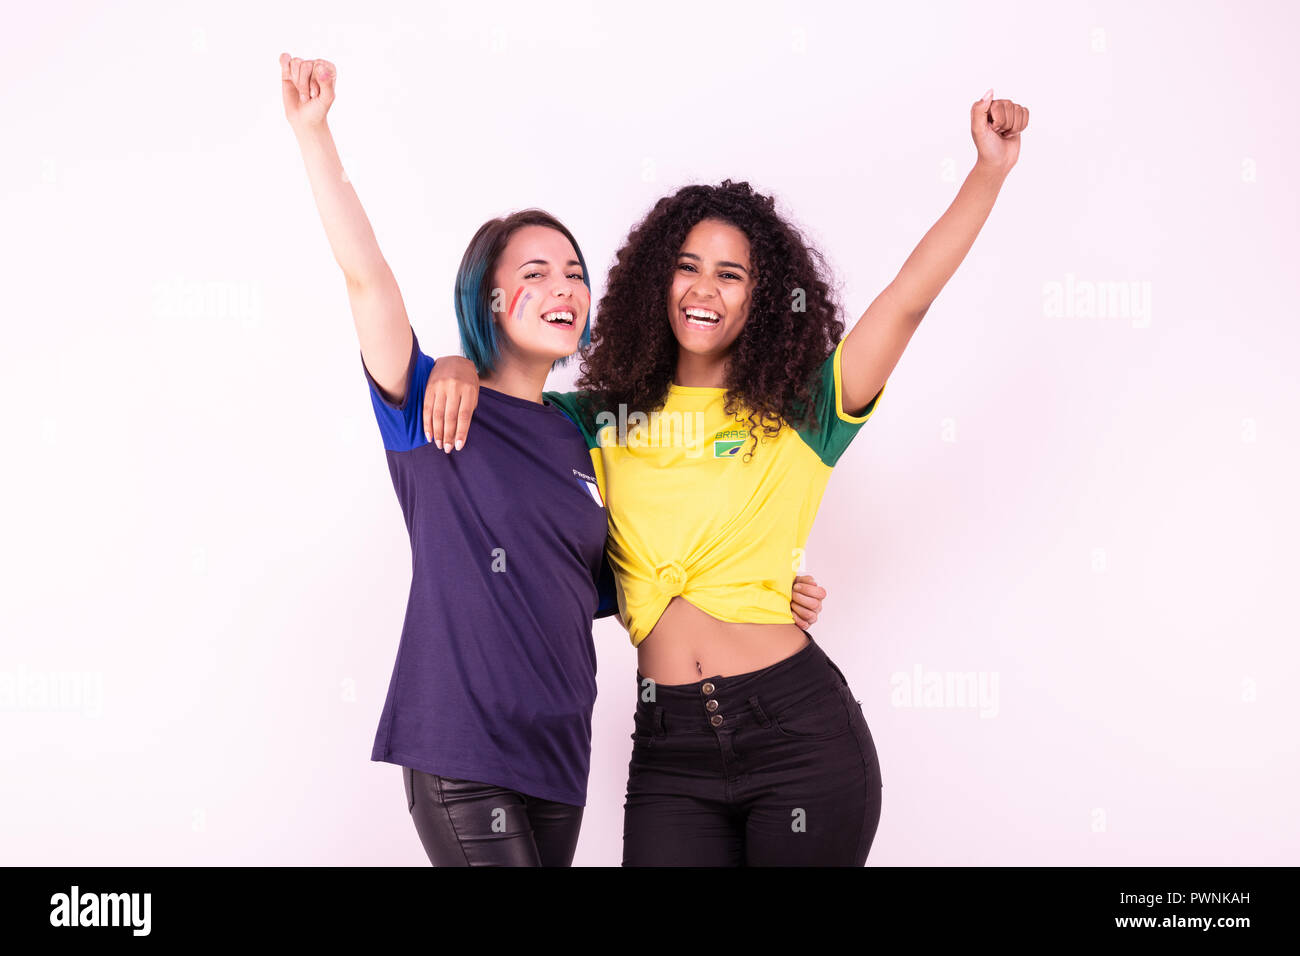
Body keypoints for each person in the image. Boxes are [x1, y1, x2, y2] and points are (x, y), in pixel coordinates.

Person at [421, 90, 1029, 865]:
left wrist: (987, 171)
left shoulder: (805, 409)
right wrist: (455, 360)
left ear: (761, 297)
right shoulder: (601, 418)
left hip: (801, 738)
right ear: (656, 281)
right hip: (670, 752)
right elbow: (513, 398)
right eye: (687, 268)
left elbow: (908, 299)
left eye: (731, 275)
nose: (704, 290)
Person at [280, 53, 829, 866]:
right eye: (534, 273)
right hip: (464, 752)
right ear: (490, 297)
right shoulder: (431, 406)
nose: (564, 285)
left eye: (573, 271)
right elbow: (367, 280)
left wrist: (756, 586)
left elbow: (627, 575)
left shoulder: (585, 433)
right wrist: (314, 133)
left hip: (559, 760)